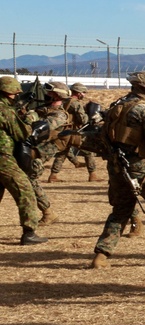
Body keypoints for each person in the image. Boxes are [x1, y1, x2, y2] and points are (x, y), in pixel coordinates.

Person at [90, 71, 145, 269]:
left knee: (120, 211)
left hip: (117, 166)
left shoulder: (118, 106)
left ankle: (101, 255)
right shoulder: (144, 111)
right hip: (142, 168)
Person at [0, 75, 47, 245]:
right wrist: (30, 118)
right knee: (25, 191)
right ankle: (29, 233)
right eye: (14, 94)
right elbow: (23, 134)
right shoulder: (4, 111)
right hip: (3, 159)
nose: (16, 96)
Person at [25, 82, 72, 226]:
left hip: (42, 151)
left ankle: (48, 212)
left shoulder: (60, 115)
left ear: (57, 95)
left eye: (50, 94)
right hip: (33, 148)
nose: (47, 95)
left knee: (30, 179)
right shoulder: (43, 109)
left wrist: (30, 117)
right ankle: (47, 212)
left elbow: (42, 128)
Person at [48, 82, 99, 182]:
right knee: (88, 152)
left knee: (62, 153)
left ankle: (53, 176)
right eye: (83, 92)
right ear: (78, 93)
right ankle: (93, 175)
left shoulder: (65, 101)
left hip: (63, 131)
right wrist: (90, 114)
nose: (84, 95)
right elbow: (83, 120)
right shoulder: (75, 103)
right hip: (73, 132)